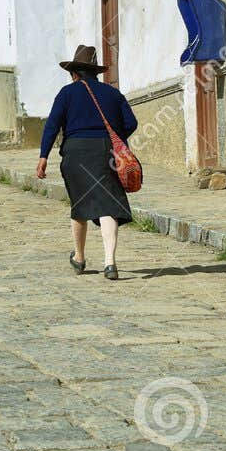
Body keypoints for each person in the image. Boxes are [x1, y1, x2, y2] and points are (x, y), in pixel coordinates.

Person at [35, 45, 138, 280]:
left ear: (74, 73)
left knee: (80, 204)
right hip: (106, 151)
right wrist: (116, 138)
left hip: (75, 152)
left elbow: (52, 126)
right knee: (108, 203)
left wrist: (43, 156)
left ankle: (79, 257)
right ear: (95, 72)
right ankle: (110, 262)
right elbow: (131, 122)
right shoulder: (113, 94)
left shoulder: (66, 93)